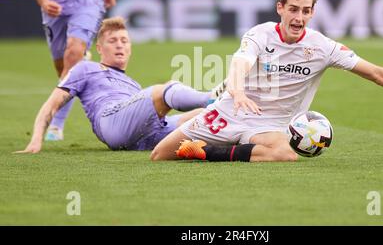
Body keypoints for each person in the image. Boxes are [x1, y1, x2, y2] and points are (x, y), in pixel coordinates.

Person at [150, 0, 383, 163]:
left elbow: (375, 73)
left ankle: (208, 152)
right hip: (229, 111)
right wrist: (236, 91)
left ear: (312, 13)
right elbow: (241, 63)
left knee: (287, 154)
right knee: (161, 155)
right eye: (293, 9)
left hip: (270, 125)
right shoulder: (259, 34)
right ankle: (202, 129)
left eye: (306, 11)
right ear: (280, 9)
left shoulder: (322, 47)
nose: (299, 17)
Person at [15, 17, 225, 154]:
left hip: (145, 135)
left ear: (130, 48)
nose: (120, 45)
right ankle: (212, 96)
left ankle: (236, 122)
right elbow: (52, 104)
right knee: (166, 88)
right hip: (111, 122)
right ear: (99, 47)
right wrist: (36, 140)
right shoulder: (85, 68)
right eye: (113, 40)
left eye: (124, 41)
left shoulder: (131, 83)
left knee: (204, 115)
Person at [18, 0, 116, 141]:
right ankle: (80, 61)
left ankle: (55, 123)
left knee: (74, 52)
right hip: (54, 1)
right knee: (62, 67)